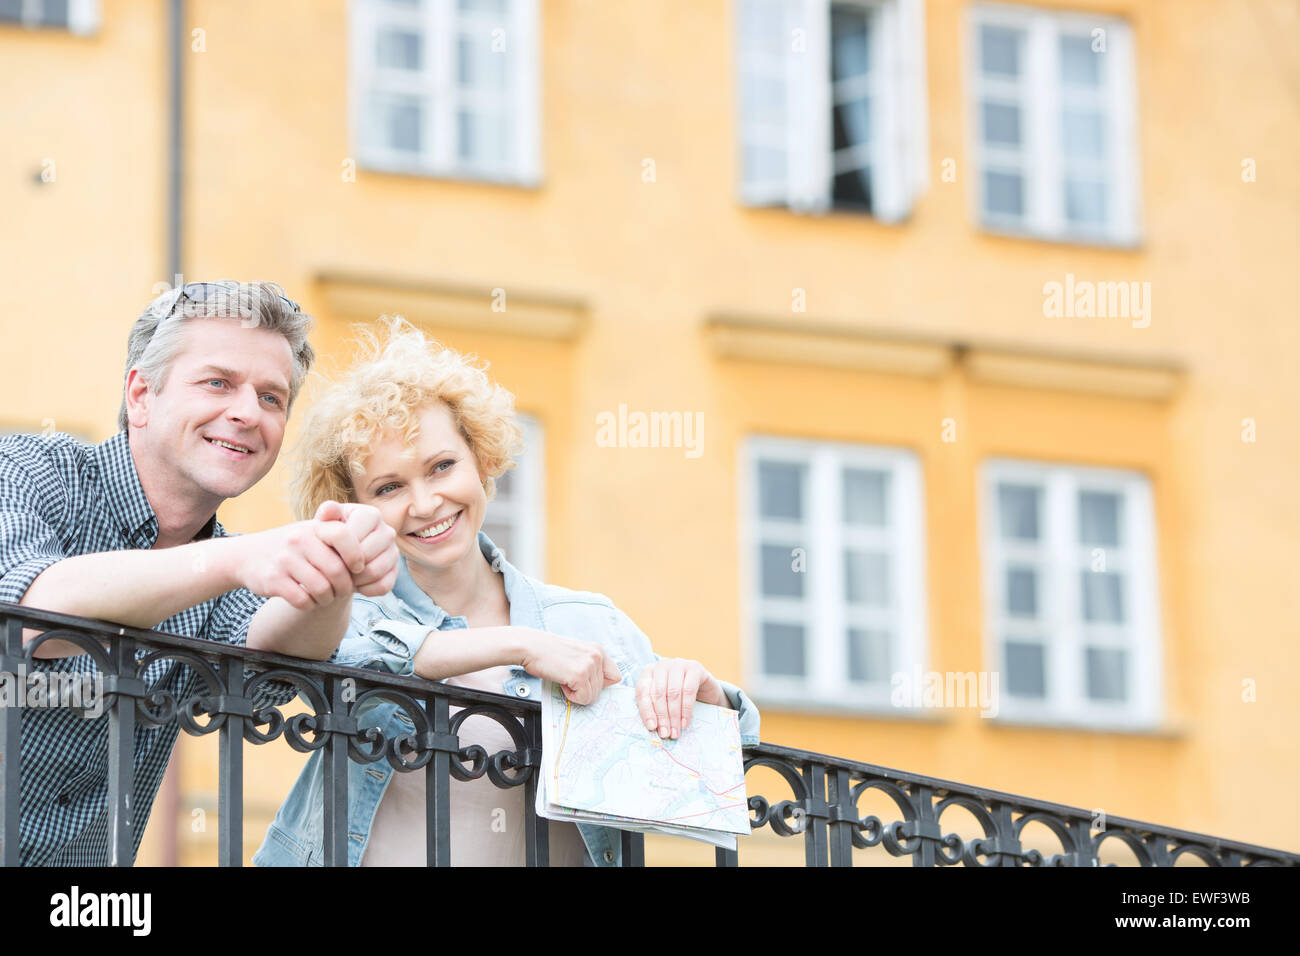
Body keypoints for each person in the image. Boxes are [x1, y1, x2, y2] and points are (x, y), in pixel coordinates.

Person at [254, 316, 759, 867]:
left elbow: (728, 755)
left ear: (483, 461)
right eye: (389, 487)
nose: (424, 504)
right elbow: (360, 659)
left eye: (442, 466)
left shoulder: (587, 622)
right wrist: (519, 645)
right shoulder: (341, 608)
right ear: (355, 506)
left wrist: (700, 693)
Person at [0, 280, 402, 866]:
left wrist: (336, 564)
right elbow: (28, 616)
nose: (246, 412)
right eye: (218, 382)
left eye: (272, 398)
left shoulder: (226, 573)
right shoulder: (27, 469)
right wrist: (235, 560)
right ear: (141, 394)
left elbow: (280, 657)